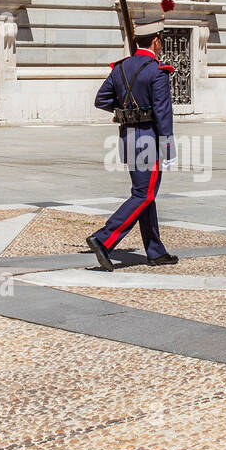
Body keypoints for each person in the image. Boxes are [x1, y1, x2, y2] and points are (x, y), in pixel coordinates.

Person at [86, 17, 180, 271]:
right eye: (161, 40)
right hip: (149, 140)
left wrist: (126, 110)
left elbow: (101, 99)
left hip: (127, 137)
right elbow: (163, 113)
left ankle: (155, 251)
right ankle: (104, 239)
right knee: (144, 194)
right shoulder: (157, 71)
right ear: (156, 41)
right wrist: (169, 148)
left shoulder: (121, 67)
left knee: (144, 195)